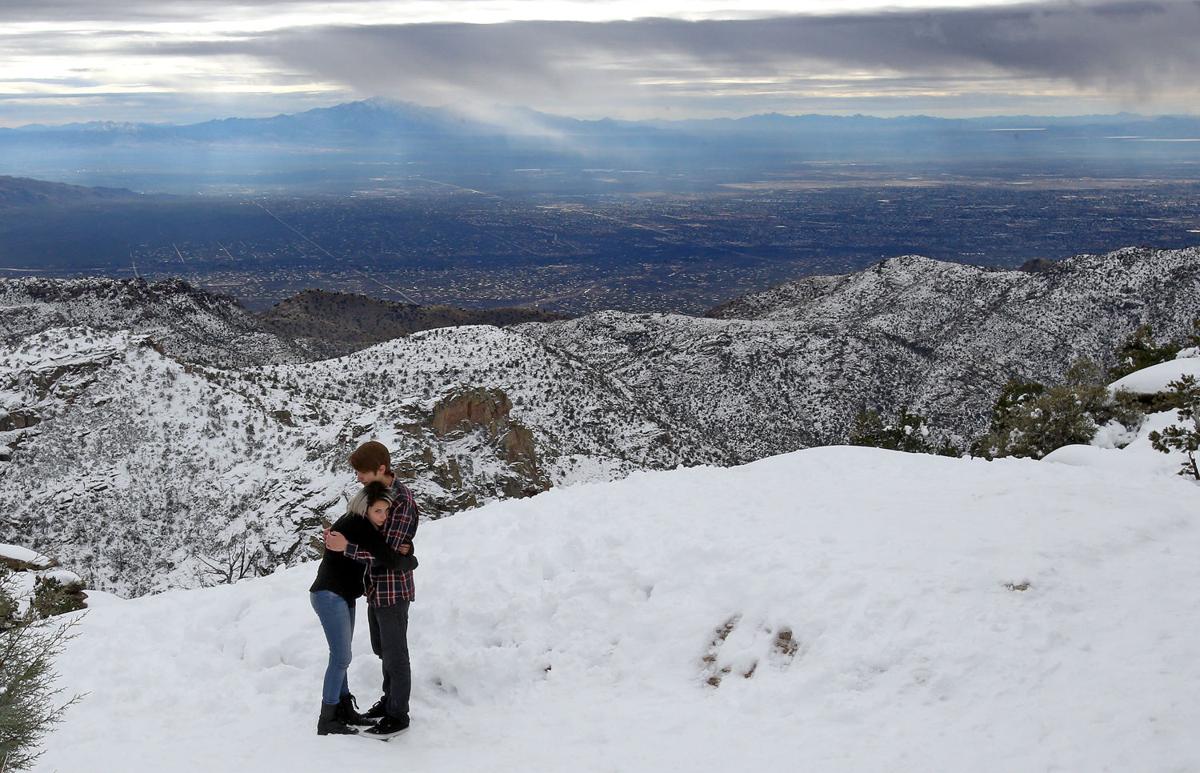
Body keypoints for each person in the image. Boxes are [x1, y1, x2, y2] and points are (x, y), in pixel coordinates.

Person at [325, 441, 419, 740]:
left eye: (362, 472)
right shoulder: (377, 494)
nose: (358, 478)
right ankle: (389, 700)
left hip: (393, 590)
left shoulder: (402, 502)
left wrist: (347, 547)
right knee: (383, 650)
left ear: (381, 469)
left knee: (395, 654)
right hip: (376, 589)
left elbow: (387, 554)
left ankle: (397, 714)